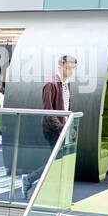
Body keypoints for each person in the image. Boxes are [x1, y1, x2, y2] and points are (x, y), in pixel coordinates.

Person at [21, 54, 76, 199]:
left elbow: (66, 108)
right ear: (60, 67)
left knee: (59, 161)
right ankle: (30, 179)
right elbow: (49, 112)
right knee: (57, 161)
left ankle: (40, 184)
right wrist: (61, 128)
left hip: (63, 128)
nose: (71, 71)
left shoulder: (67, 84)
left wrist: (69, 126)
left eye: (73, 68)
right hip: (53, 130)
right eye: (68, 68)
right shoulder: (51, 85)